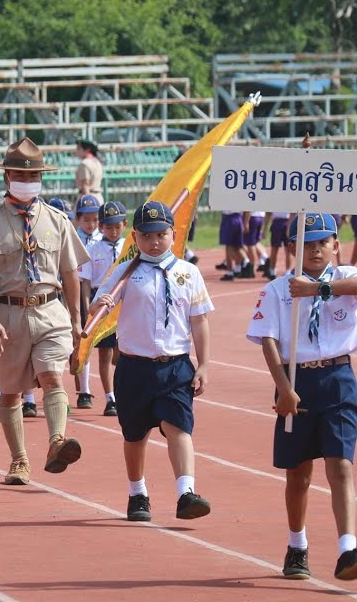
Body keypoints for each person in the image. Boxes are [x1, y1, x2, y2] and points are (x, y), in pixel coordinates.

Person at [244, 212, 357, 582]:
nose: (317, 250)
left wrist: (319, 290)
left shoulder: (345, 278)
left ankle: (348, 549)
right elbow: (268, 340)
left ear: (336, 244)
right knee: (299, 474)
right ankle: (296, 545)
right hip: (296, 381)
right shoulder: (276, 290)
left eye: (324, 242)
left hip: (338, 378)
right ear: (292, 248)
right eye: (308, 243)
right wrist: (284, 389)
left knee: (341, 466)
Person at [0, 137, 90, 485]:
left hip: (50, 311)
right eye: (20, 174)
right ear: (6, 178)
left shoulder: (58, 220)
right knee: (12, 392)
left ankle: (57, 440)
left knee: (51, 374)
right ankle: (19, 460)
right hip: (8, 315)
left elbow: (70, 273)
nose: (27, 181)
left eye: (33, 176)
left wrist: (76, 320)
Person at [91, 201, 213, 523]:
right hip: (134, 367)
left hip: (174, 365)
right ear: (135, 237)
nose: (154, 242)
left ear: (174, 233)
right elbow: (98, 307)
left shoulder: (189, 273)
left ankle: (186, 493)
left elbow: (199, 321)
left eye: (161, 234)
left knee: (179, 427)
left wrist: (203, 364)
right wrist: (101, 303)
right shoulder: (125, 272)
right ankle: (137, 492)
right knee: (135, 435)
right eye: (146, 236)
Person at [78, 200, 128, 416]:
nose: (113, 231)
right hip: (102, 303)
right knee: (105, 354)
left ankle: (124, 391)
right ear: (101, 227)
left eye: (117, 226)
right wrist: (85, 309)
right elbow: (86, 282)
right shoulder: (92, 249)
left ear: (125, 224)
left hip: (126, 304)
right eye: (109, 227)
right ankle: (110, 398)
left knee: (125, 352)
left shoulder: (129, 246)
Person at [74, 139, 104, 203]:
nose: (77, 151)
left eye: (79, 148)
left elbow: (85, 184)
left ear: (87, 149)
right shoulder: (97, 162)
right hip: (98, 197)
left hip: (88, 197)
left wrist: (88, 202)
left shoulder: (85, 163)